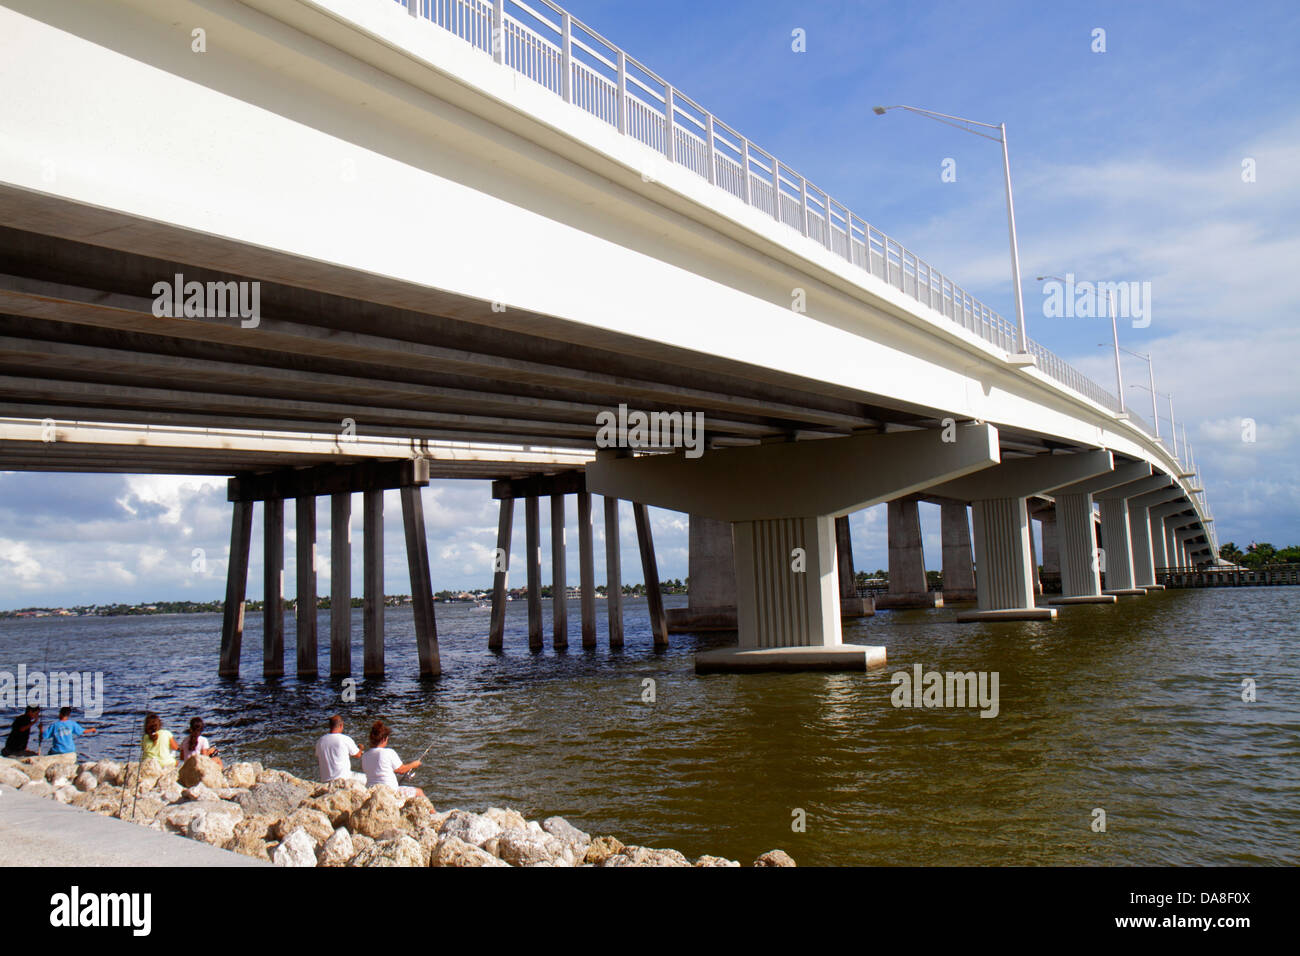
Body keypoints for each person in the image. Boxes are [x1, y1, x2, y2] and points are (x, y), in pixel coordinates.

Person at [360, 720, 424, 799]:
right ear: (384, 739)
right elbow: (401, 770)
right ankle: (433, 812)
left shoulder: (365, 755)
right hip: (390, 791)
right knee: (419, 792)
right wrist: (414, 764)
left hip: (371, 791)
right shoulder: (388, 752)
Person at [315, 714, 365, 784]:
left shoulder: (320, 741)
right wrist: (360, 748)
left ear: (330, 726)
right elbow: (358, 755)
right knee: (368, 779)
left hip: (325, 781)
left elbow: (320, 755)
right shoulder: (345, 739)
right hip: (344, 778)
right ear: (341, 725)